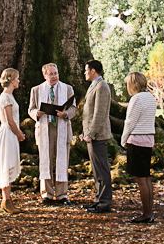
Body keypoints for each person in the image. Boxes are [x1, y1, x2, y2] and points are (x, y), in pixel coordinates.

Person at [28, 63, 77, 205]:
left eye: (56, 73)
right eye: (51, 74)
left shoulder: (67, 89)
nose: (54, 76)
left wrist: (66, 113)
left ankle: (62, 194)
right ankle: (47, 193)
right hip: (45, 128)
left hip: (62, 127)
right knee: (46, 160)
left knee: (62, 160)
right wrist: (35, 113)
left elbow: (73, 108)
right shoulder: (36, 90)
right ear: (45, 75)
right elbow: (30, 109)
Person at [121, 71, 157, 223]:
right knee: (146, 177)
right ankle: (148, 211)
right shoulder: (151, 98)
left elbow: (130, 122)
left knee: (141, 179)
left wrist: (123, 140)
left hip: (137, 140)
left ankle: (146, 214)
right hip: (148, 138)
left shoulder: (136, 99)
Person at [81, 60, 112, 213]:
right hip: (91, 135)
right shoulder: (94, 85)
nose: (84, 73)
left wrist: (91, 134)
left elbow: (99, 114)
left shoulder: (102, 87)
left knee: (102, 168)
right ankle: (98, 198)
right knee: (96, 169)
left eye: (86, 70)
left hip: (98, 135)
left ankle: (105, 201)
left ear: (93, 71)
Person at [0, 68, 26, 214]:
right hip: (8, 132)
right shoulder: (6, 97)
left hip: (11, 133)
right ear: (12, 80)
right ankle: (6, 200)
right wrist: (19, 133)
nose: (18, 81)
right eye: (17, 78)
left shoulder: (10, 96)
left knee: (9, 163)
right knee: (6, 164)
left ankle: (7, 200)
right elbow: (10, 121)